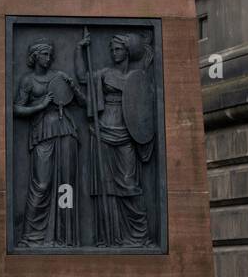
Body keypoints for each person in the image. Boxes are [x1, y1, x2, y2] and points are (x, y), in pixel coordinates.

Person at [74, 31, 155, 248]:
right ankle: (110, 238)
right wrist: (79, 49)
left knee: (129, 184)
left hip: (127, 132)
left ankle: (139, 235)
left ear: (127, 52)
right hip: (102, 132)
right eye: (111, 49)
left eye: (118, 49)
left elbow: (144, 110)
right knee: (105, 187)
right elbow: (82, 78)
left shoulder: (137, 77)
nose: (113, 52)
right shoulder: (103, 74)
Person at [13, 40, 85, 247]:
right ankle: (31, 237)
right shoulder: (28, 81)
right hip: (42, 132)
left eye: (50, 54)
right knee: (42, 184)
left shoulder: (60, 77)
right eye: (45, 54)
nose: (49, 58)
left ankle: (65, 237)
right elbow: (17, 108)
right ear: (35, 56)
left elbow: (83, 103)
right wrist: (40, 105)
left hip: (66, 131)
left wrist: (74, 88)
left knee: (66, 185)